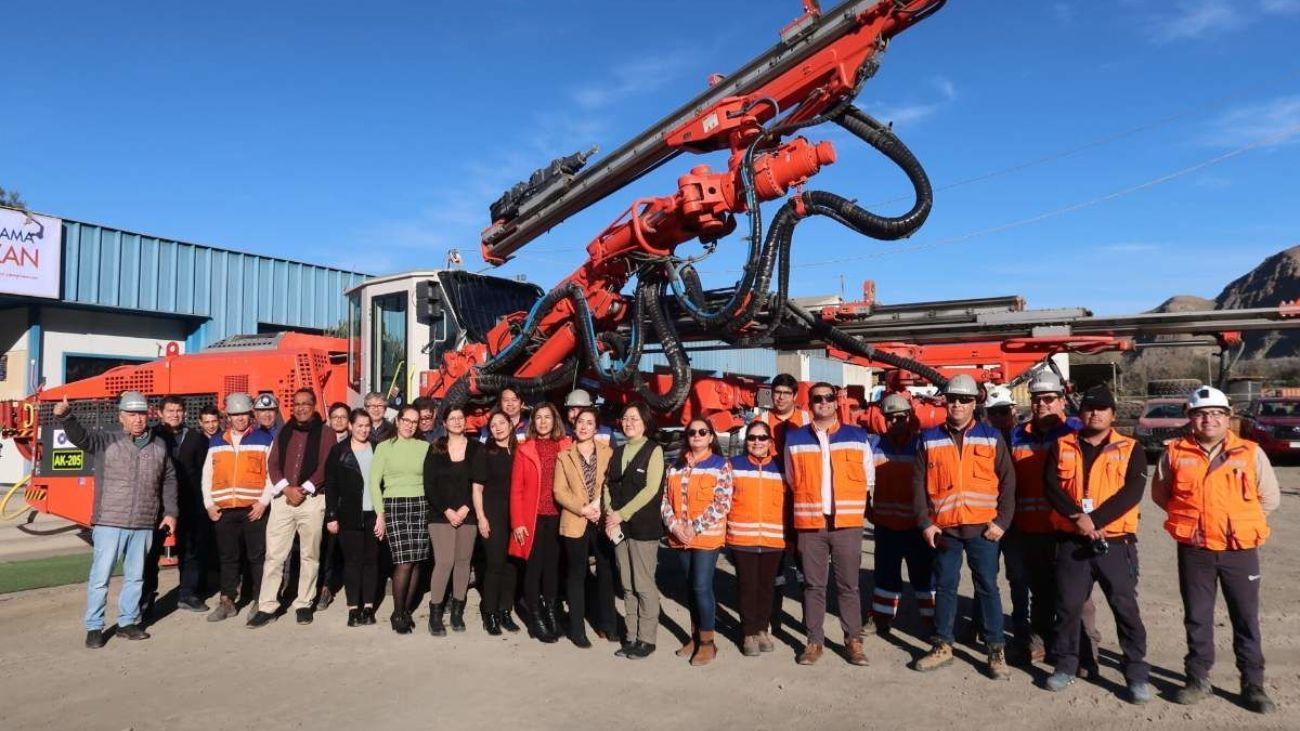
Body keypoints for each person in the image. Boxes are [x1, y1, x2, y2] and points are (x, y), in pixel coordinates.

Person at [1153, 386, 1280, 714]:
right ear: (1191, 419)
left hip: (1239, 549)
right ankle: (1197, 680)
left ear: (1227, 418)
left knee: (1246, 619)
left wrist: (1239, 522)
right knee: (1197, 617)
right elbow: (1161, 495)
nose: (1209, 419)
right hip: (1196, 550)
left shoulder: (1250, 452)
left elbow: (1270, 498)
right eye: (1201, 413)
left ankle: (1253, 685)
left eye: (1216, 413)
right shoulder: (1175, 453)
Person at [1041, 386, 1152, 704]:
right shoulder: (1061, 446)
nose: (1095, 413)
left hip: (1115, 542)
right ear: (1080, 414)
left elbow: (1132, 491)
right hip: (1071, 541)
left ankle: (1136, 674)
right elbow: (1051, 486)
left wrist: (1096, 520)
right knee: (1067, 607)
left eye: (1102, 408)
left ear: (1113, 414)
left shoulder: (1131, 448)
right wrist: (1078, 518)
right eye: (1090, 408)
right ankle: (1066, 665)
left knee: (1125, 607)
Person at [911, 373, 1015, 678]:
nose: (957, 404)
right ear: (945, 401)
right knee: (944, 587)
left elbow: (1008, 482)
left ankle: (996, 649)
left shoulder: (991, 436)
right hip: (945, 530)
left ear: (974, 403)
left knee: (988, 587)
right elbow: (918, 485)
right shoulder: (928, 439)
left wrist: (1002, 522)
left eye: (964, 399)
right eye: (952, 398)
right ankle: (942, 644)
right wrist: (925, 524)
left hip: (984, 529)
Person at [54, 391, 177, 649]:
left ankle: (127, 623)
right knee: (101, 577)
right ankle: (94, 627)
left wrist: (170, 512)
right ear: (121, 417)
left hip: (144, 523)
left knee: (135, 577)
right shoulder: (105, 440)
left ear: (148, 416)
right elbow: (81, 438)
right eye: (131, 414)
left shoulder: (159, 446)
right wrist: (66, 417)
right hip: (109, 522)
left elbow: (168, 479)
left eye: (141, 414)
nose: (137, 419)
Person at [1004, 371, 1099, 668]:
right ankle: (1041, 642)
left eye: (1048, 399)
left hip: (1067, 531)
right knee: (1040, 592)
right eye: (1036, 399)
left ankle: (1086, 650)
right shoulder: (1017, 434)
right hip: (1029, 529)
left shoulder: (1076, 431)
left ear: (1062, 401)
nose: (1042, 404)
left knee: (1076, 596)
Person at [784, 381, 873, 667]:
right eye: (817, 399)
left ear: (836, 402)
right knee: (813, 585)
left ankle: (853, 640)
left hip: (847, 523)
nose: (823, 402)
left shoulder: (858, 436)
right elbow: (790, 478)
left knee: (849, 585)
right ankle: (814, 641)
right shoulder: (795, 439)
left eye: (828, 398)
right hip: (811, 524)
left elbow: (869, 478)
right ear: (809, 405)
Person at [248, 388, 336, 628]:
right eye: (296, 403)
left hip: (312, 500)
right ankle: (267, 606)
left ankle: (304, 603)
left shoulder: (326, 433)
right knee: (274, 555)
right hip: (283, 501)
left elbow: (326, 464)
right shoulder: (284, 431)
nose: (301, 407)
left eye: (306, 403)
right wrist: (287, 489)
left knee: (310, 555)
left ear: (314, 405)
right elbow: (273, 463)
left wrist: (305, 489)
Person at [661, 418, 733, 665]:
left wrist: (694, 527)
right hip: (680, 537)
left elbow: (722, 503)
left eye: (703, 432)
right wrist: (675, 526)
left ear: (711, 437)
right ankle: (694, 635)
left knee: (702, 587)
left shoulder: (720, 465)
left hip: (706, 537)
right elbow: (664, 501)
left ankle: (707, 643)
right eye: (692, 432)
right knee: (690, 586)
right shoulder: (674, 467)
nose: (697, 435)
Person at [867, 394, 934, 636]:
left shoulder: (921, 444)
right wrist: (867, 507)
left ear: (910, 417)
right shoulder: (873, 445)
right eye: (891, 418)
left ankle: (932, 621)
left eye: (901, 417)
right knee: (885, 576)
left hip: (917, 526)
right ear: (884, 420)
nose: (896, 422)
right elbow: (860, 478)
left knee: (925, 577)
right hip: (886, 525)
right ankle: (882, 619)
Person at [202, 393, 272, 623]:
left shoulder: (263, 439)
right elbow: (207, 475)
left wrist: (263, 502)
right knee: (228, 558)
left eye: (244, 414)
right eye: (235, 415)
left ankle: (259, 600)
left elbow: (272, 474)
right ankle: (227, 601)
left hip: (253, 509)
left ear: (250, 415)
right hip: (224, 511)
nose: (240, 418)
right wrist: (210, 505)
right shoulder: (216, 441)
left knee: (257, 557)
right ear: (228, 416)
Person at [605, 402, 666, 660]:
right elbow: (607, 485)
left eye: (634, 418)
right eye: (626, 418)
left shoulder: (654, 450)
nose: (629, 422)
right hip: (618, 527)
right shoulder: (617, 452)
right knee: (627, 584)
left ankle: (647, 638)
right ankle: (631, 635)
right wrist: (610, 513)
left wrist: (622, 514)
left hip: (643, 526)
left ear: (645, 422)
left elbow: (651, 490)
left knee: (643, 584)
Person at [554, 406, 618, 647]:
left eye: (589, 422)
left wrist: (598, 506)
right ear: (574, 425)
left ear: (596, 427)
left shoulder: (608, 453)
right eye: (580, 422)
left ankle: (609, 625)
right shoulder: (564, 455)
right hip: (576, 519)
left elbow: (611, 483)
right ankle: (577, 629)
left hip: (601, 520)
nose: (583, 426)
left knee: (605, 574)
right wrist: (582, 509)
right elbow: (559, 491)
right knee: (576, 574)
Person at [369, 405, 435, 634]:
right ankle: (397, 612)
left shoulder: (425, 447)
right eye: (406, 420)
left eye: (415, 422)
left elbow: (431, 480)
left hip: (420, 505)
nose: (410, 425)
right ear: (397, 421)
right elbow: (374, 483)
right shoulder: (384, 448)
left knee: (417, 561)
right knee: (404, 561)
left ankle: (406, 609)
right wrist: (380, 514)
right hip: (394, 506)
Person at [510, 401, 570, 643]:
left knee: (553, 569)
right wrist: (518, 523)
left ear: (555, 420)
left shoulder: (566, 446)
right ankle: (535, 619)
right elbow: (516, 490)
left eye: (548, 417)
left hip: (558, 516)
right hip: (533, 518)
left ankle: (552, 614)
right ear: (533, 422)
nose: (543, 421)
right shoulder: (525, 449)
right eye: (538, 417)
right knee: (534, 569)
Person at [728, 420, 786, 656]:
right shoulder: (733, 465)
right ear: (746, 441)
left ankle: (763, 628)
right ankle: (749, 633)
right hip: (743, 538)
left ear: (770, 442)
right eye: (752, 438)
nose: (757, 442)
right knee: (747, 586)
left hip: (773, 538)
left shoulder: (782, 467)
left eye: (762, 438)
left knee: (766, 587)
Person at [150, 395, 213, 614]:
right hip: (158, 505)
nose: (175, 414)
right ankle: (147, 597)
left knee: (191, 550)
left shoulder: (196, 438)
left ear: (184, 413)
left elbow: (205, 471)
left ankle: (188, 594)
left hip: (191, 503)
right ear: (160, 413)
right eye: (170, 411)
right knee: (151, 551)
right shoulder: (152, 436)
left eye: (178, 410)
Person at [323, 409, 382, 626]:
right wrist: (331, 515)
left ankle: (368, 607)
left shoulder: (377, 449)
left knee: (371, 561)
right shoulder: (339, 451)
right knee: (352, 562)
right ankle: (352, 608)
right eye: (360, 425)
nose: (364, 429)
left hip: (373, 515)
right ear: (350, 426)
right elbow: (331, 485)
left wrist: (382, 514)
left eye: (367, 426)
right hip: (348, 514)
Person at [426, 405, 481, 636]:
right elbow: (430, 485)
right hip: (441, 516)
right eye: (452, 418)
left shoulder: (476, 448)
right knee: (445, 562)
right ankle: (435, 613)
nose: (457, 422)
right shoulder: (436, 449)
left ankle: (457, 611)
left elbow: (478, 482)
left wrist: (466, 508)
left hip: (467, 515)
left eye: (460, 418)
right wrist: (448, 510)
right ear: (445, 423)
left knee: (462, 563)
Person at [472, 410, 522, 635]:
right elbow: (477, 488)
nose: (498, 427)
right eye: (493, 425)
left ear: (511, 425)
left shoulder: (520, 451)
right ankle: (490, 614)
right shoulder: (485, 452)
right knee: (495, 565)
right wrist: (481, 517)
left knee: (511, 566)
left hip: (516, 516)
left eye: (502, 423)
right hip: (493, 514)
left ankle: (505, 611)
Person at [316, 401, 352, 612]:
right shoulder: (321, 441)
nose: (338, 420)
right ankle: (326, 587)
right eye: (335, 416)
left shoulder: (356, 440)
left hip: (348, 502)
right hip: (326, 500)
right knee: (326, 548)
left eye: (343, 417)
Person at [755, 373, 810, 453]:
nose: (781, 397)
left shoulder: (808, 420)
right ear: (771, 394)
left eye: (786, 393)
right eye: (777, 392)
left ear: (795, 396)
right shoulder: (759, 421)